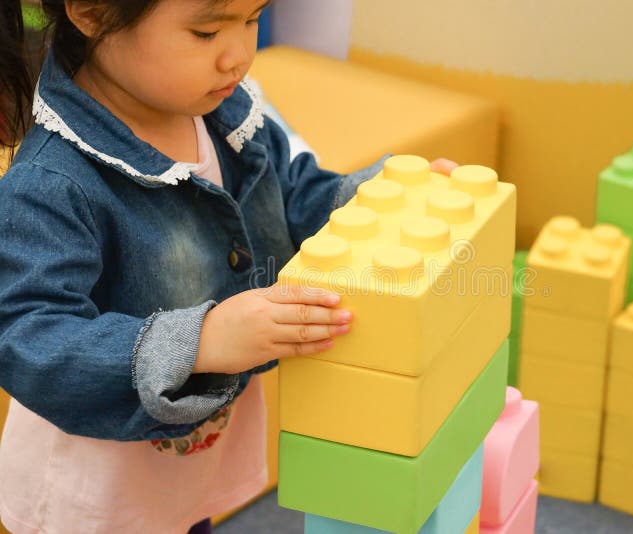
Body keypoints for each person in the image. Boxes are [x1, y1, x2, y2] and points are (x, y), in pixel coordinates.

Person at [0, 1, 458, 532]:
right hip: (97, 500)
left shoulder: (226, 116)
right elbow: (31, 336)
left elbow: (289, 197)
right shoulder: (53, 182)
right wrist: (203, 340)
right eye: (206, 31)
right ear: (94, 12)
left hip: (192, 465)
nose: (238, 56)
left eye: (252, 19)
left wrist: (373, 201)